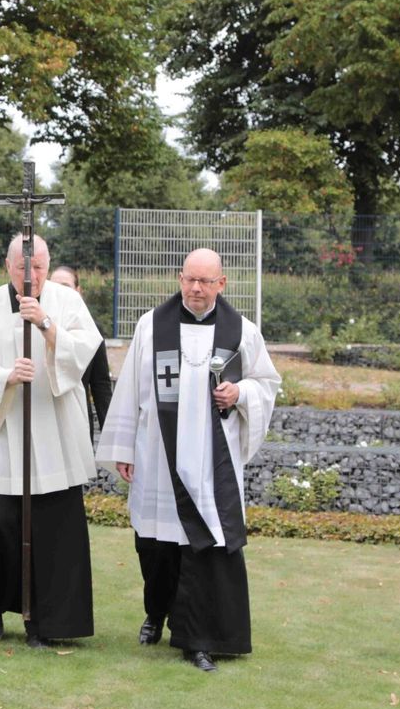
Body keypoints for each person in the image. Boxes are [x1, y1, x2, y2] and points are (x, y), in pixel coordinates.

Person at [95, 248, 281, 673]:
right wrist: (123, 447)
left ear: (222, 283)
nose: (195, 289)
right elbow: (129, 388)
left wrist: (240, 394)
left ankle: (195, 636)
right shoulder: (152, 325)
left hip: (210, 461)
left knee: (201, 547)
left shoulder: (243, 332)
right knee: (155, 547)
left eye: (205, 281)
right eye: (189, 279)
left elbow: (266, 383)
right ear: (180, 278)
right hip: (158, 454)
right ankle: (155, 612)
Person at [0, 234, 102, 647]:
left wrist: (47, 325)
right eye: (23, 267)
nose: (31, 276)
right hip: (4, 433)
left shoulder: (67, 302)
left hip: (54, 432)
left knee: (54, 529)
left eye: (38, 268)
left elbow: (86, 351)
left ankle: (48, 621)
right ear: (7, 265)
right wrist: (5, 376)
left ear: (48, 267)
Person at [49, 266, 113, 438]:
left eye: (65, 286)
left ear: (78, 291)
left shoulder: (92, 329)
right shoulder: (34, 326)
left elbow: (100, 385)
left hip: (78, 422)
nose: (59, 292)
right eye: (53, 286)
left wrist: (111, 439)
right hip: (46, 422)